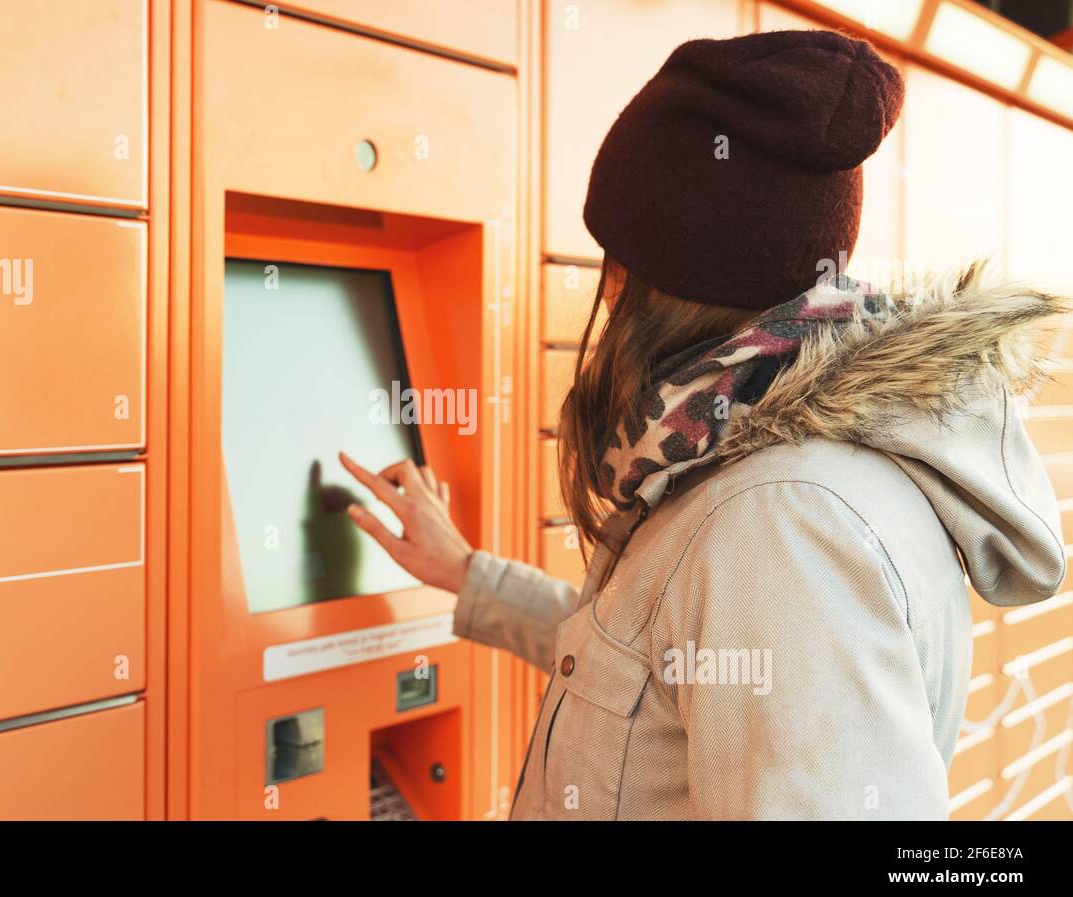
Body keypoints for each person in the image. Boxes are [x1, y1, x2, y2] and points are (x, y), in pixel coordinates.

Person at [340, 29, 1068, 819]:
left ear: (678, 290)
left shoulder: (782, 524)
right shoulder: (761, 471)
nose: (608, 294)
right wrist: (471, 576)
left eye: (622, 264)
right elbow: (659, 673)